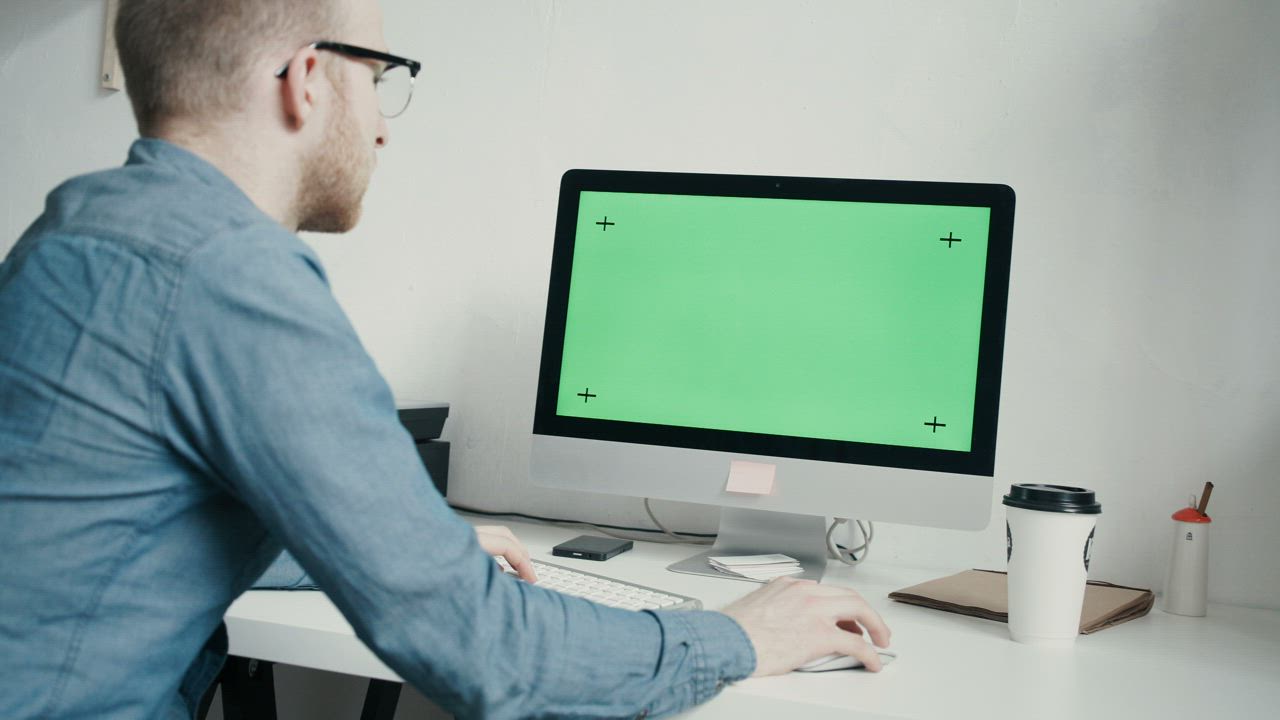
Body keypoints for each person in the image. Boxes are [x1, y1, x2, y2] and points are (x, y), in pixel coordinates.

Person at [0, 0, 891, 717]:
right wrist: (742, 637)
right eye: (380, 78)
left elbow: (118, 533)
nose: (384, 127)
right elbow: (488, 656)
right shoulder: (230, 274)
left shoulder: (74, 232)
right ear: (307, 79)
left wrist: (411, 545)